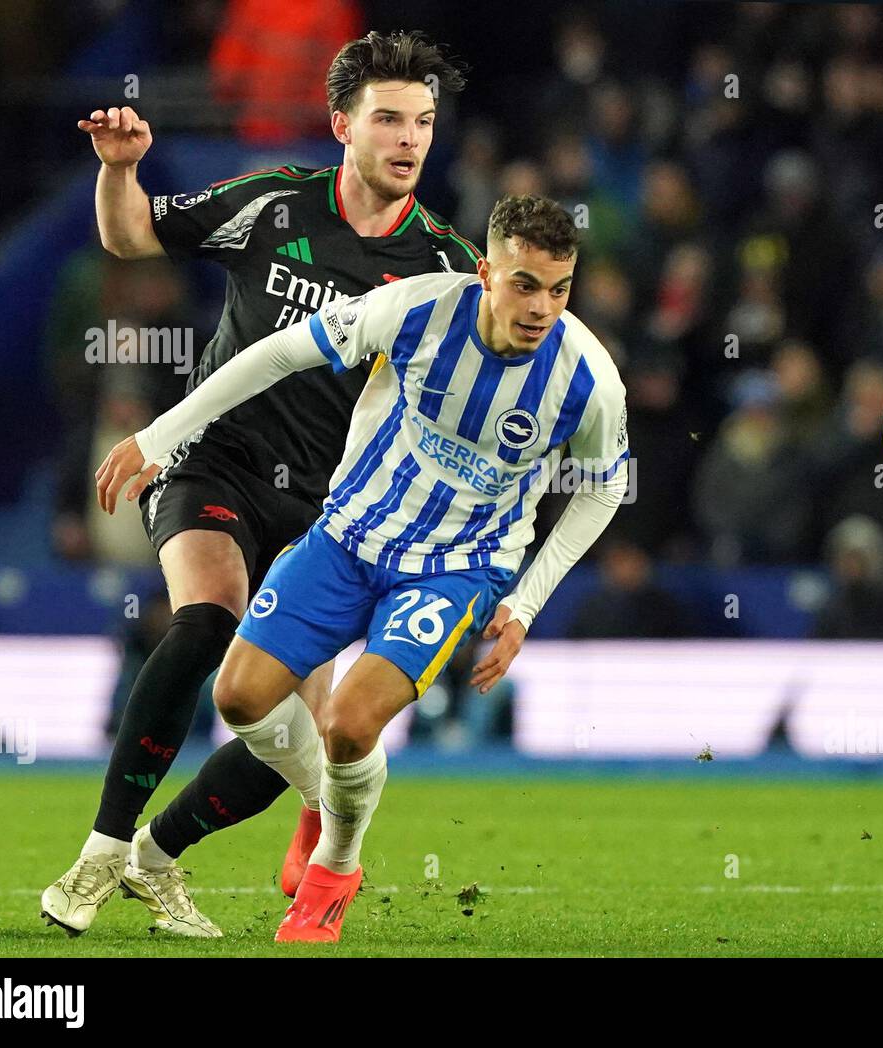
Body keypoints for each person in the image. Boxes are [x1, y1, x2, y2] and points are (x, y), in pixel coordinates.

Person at [95, 194, 629, 943]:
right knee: (239, 698)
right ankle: (327, 797)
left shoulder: (589, 381)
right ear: (485, 273)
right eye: (524, 284)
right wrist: (162, 432)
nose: (543, 307)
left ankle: (336, 866)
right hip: (346, 539)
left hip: (456, 568)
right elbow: (279, 352)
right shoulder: (415, 310)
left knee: (349, 722)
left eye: (559, 288)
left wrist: (526, 605)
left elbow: (605, 485)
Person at [41, 30, 481, 939]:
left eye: (424, 122)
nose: (409, 139)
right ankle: (100, 852)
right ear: (340, 125)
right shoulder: (275, 202)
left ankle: (157, 860)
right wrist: (120, 168)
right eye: (389, 118)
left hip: (325, 511)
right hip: (213, 462)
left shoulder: (444, 269)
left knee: (301, 734)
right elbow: (129, 236)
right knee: (209, 618)